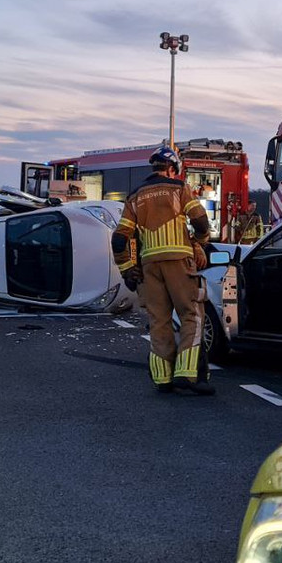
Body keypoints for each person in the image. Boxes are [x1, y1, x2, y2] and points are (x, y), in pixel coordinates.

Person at [111, 146, 214, 395]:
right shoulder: (178, 188)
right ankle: (187, 374)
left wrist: (127, 270)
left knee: (159, 322)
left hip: (149, 267)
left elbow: (119, 239)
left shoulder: (135, 196)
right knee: (192, 315)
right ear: (172, 169)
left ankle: (162, 378)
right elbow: (200, 220)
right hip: (180, 261)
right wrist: (199, 242)